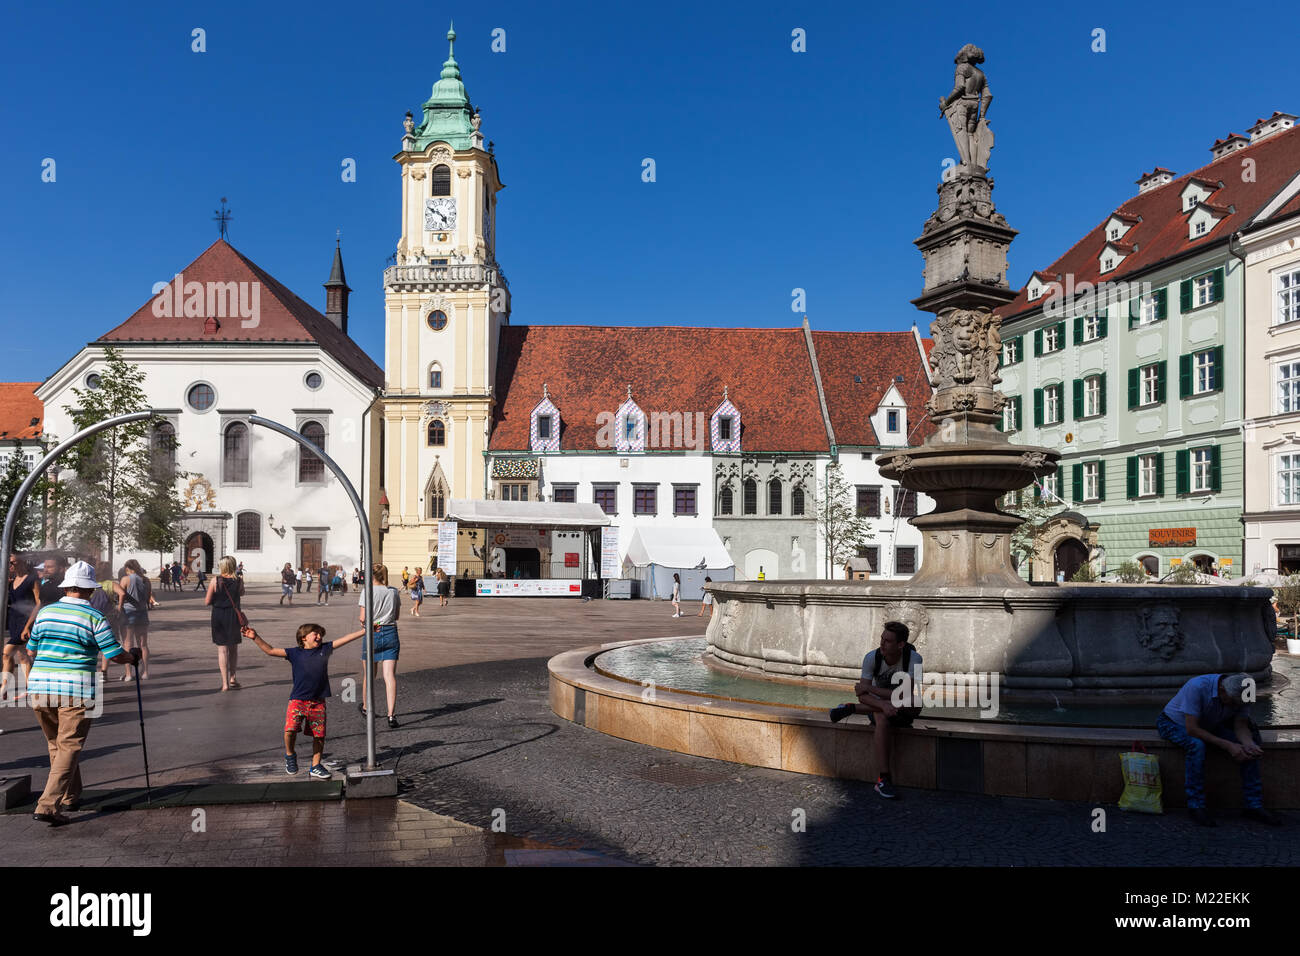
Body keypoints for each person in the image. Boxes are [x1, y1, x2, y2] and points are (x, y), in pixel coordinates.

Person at [26, 560, 140, 825]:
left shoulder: (45, 613)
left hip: (40, 686)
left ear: (67, 587)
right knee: (69, 745)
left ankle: (70, 795)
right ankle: (47, 805)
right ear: (90, 589)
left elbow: (31, 649)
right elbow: (113, 654)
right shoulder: (94, 616)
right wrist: (132, 658)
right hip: (76, 689)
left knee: (57, 744)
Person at [243, 621, 365, 779]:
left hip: (318, 701)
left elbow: (346, 638)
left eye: (321, 634)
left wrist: (364, 632)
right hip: (298, 700)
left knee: (319, 735)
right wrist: (255, 637)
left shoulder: (325, 649)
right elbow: (271, 650)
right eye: (316, 634)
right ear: (303, 638)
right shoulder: (294, 653)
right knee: (290, 730)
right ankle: (290, 755)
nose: (319, 637)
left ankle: (315, 765)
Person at [1156, 672, 1281, 827]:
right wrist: (1228, 745)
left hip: (1210, 723)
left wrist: (1248, 744)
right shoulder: (1197, 686)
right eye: (1233, 703)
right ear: (1222, 689)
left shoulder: (1245, 693)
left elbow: (1240, 725)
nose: (1235, 707)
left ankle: (1253, 805)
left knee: (1250, 748)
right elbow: (1192, 729)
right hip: (1173, 724)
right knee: (1196, 745)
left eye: (1238, 705)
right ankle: (1196, 806)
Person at [828, 621, 923, 800]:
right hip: (880, 708)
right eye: (882, 638)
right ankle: (883, 778)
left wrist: (872, 690)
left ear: (901, 644)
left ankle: (851, 709)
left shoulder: (914, 659)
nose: (882, 643)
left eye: (887, 641)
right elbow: (861, 696)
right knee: (881, 717)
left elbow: (905, 695)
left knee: (914, 702)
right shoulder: (872, 657)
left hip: (903, 707)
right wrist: (883, 705)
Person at [358, 564, 402, 727]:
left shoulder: (367, 591)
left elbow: (363, 618)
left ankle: (366, 707)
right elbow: (396, 616)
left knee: (369, 675)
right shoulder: (393, 591)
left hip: (372, 633)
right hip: (391, 632)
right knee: (389, 676)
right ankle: (391, 715)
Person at [205, 555, 246, 691]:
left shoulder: (215, 581)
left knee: (222, 650)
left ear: (222, 566)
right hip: (233, 615)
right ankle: (233, 677)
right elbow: (242, 593)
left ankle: (224, 684)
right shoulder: (239, 581)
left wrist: (218, 600)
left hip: (219, 615)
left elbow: (207, 601)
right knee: (233, 649)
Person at [3, 556, 40, 697]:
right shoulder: (11, 581)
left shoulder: (32, 579)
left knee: (7, 653)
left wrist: (28, 626)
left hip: (26, 620)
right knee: (23, 656)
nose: (10, 565)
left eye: (12, 562)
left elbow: (38, 602)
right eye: (8, 562)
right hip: (14, 620)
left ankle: (4, 687)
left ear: (22, 562)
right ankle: (31, 687)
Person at [117, 559, 158, 681]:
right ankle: (145, 672)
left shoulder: (125, 579)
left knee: (127, 644)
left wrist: (119, 607)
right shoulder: (146, 580)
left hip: (128, 613)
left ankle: (129, 674)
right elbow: (148, 597)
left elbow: (121, 595)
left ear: (128, 569)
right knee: (143, 644)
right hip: (142, 613)